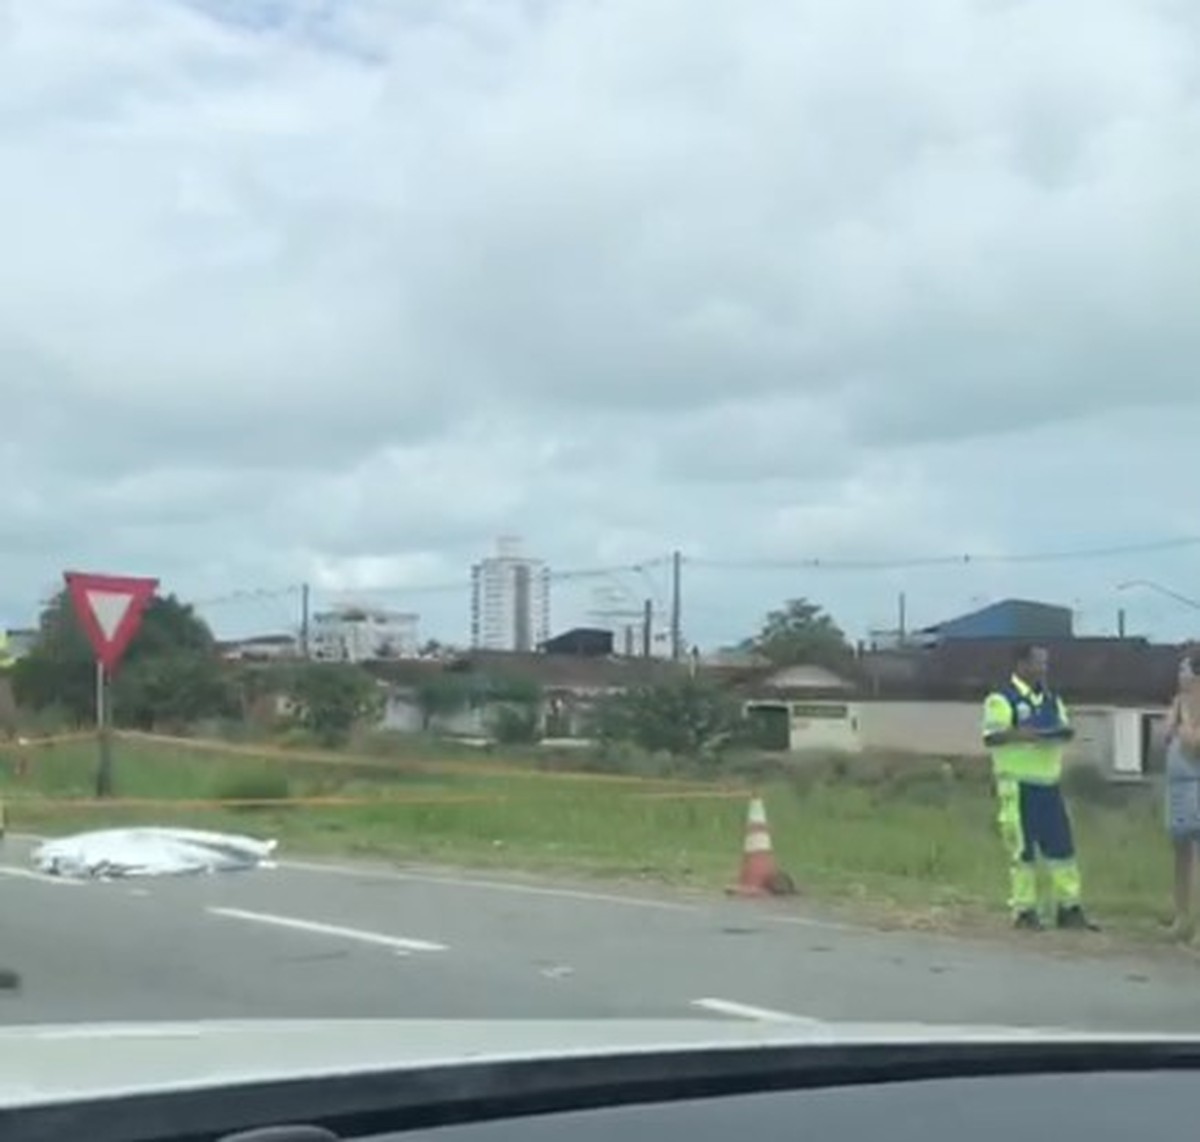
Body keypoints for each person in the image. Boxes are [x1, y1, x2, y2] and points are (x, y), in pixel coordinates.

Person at [981, 644, 1098, 931]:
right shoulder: (1001, 698)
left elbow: (1063, 727)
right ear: (1021, 664)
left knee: (1062, 848)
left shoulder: (1051, 699)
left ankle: (1069, 907)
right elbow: (992, 737)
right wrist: (1023, 734)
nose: (1043, 668)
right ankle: (1024, 910)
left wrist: (1058, 733)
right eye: (1038, 663)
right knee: (1022, 851)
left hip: (1049, 783)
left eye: (1045, 663)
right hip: (1017, 784)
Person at [1163, 648, 1200, 940]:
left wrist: (1185, 716)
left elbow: (1193, 743)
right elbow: (1165, 735)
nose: (1180, 676)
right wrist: (1177, 711)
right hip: (1176, 786)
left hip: (1195, 784)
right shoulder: (1179, 702)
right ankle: (1181, 916)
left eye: (1184, 670)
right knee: (1181, 854)